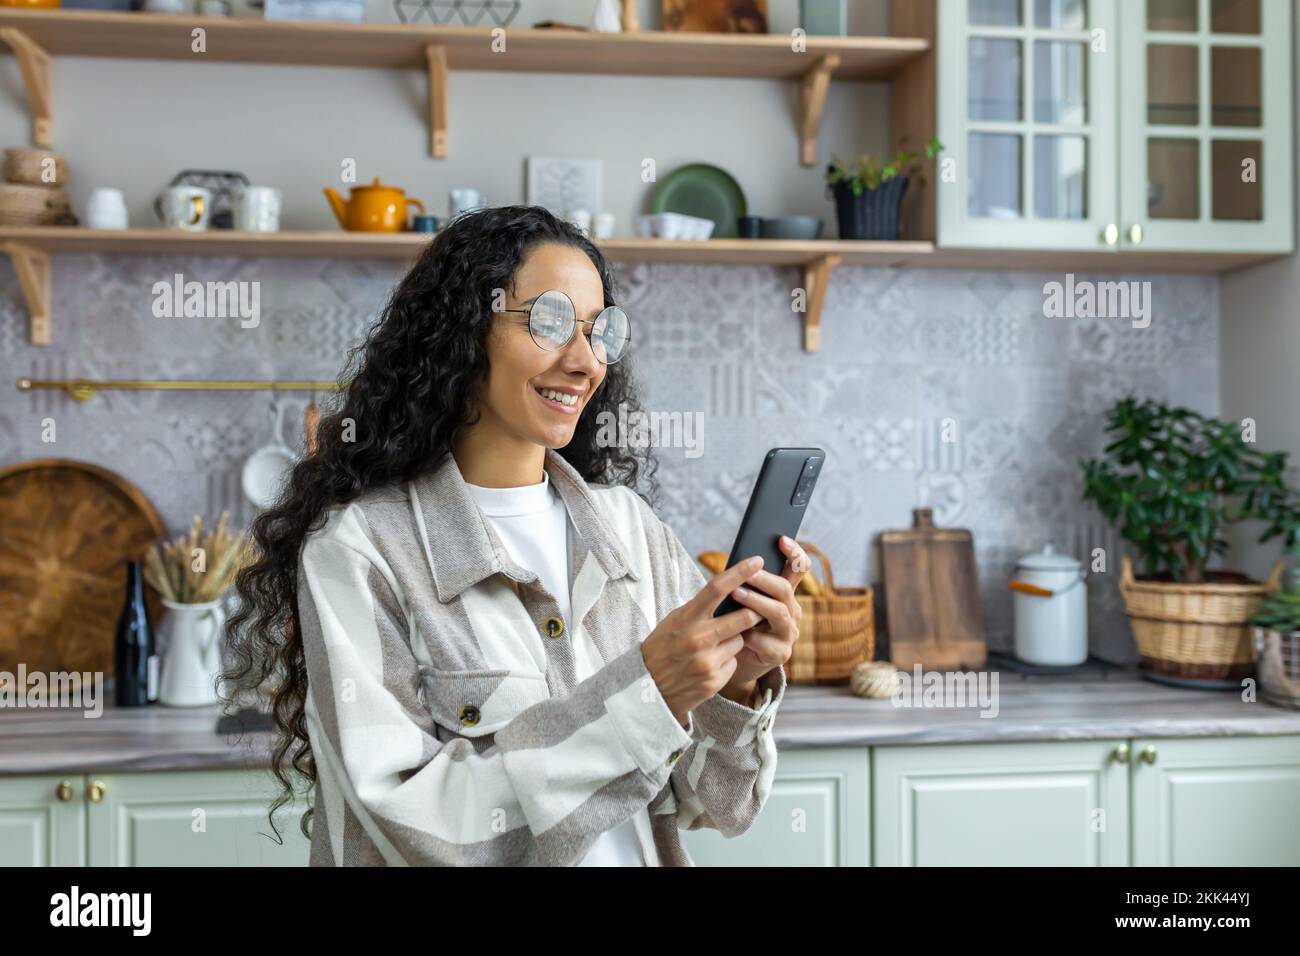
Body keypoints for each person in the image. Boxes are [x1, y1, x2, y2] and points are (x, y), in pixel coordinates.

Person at [223, 205, 809, 866]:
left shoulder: (631, 531)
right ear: (463, 332)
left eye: (599, 332)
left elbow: (715, 806)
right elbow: (418, 828)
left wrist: (737, 685)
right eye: (551, 321)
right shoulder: (360, 552)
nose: (586, 362)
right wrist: (650, 694)